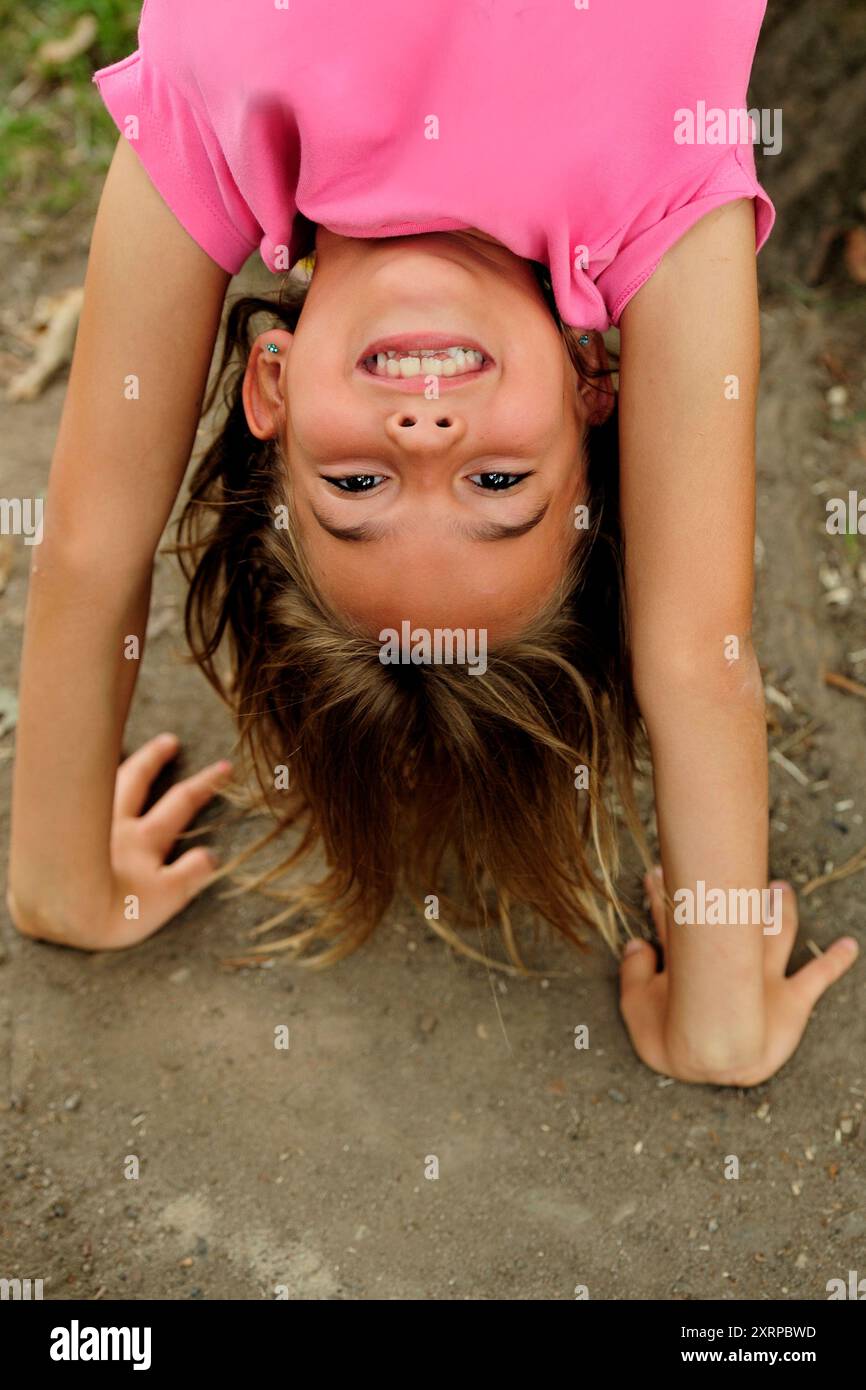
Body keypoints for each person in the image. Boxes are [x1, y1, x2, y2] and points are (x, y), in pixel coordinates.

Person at [7, 0, 858, 1087]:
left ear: (271, 385)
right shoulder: (659, 196)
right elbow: (694, 653)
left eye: (355, 485)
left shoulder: (226, 122)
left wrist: (66, 876)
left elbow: (89, 541)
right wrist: (719, 1019)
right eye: (497, 484)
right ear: (595, 386)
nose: (423, 436)